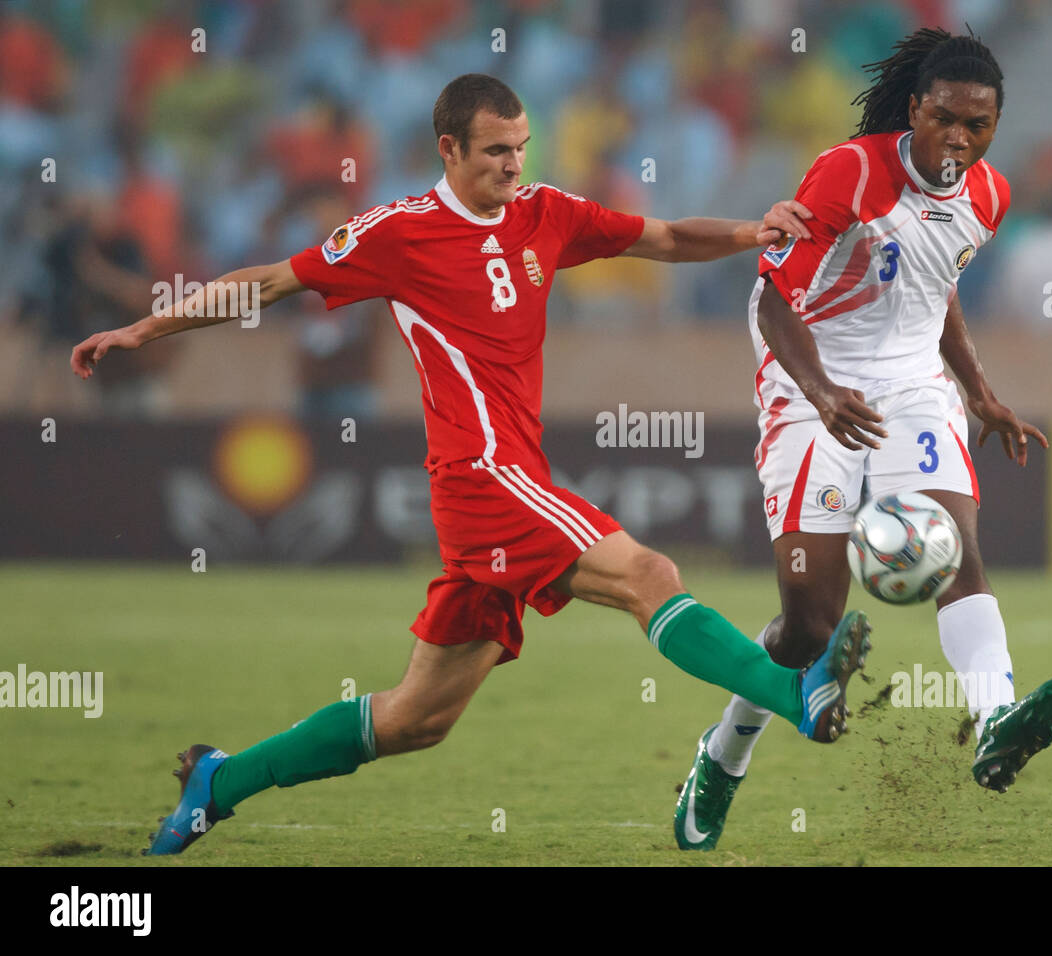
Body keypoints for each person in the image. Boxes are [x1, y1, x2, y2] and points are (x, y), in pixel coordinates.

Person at [70, 73, 873, 856]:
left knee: (416, 719)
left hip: (503, 483)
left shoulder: (545, 213)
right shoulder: (395, 233)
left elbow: (659, 238)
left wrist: (749, 233)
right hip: (482, 477)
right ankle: (794, 697)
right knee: (649, 575)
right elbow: (272, 283)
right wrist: (143, 331)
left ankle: (220, 781)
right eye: (495, 151)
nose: (513, 166)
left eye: (521, 147)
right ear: (448, 149)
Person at [673, 28, 1052, 852]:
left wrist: (981, 394)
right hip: (809, 375)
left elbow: (937, 288)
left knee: (959, 551)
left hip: (915, 385)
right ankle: (723, 756)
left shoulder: (989, 194)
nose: (960, 140)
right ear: (916, 109)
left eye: (980, 126)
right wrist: (821, 395)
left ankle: (996, 716)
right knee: (809, 625)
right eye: (946, 121)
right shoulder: (850, 170)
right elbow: (774, 296)